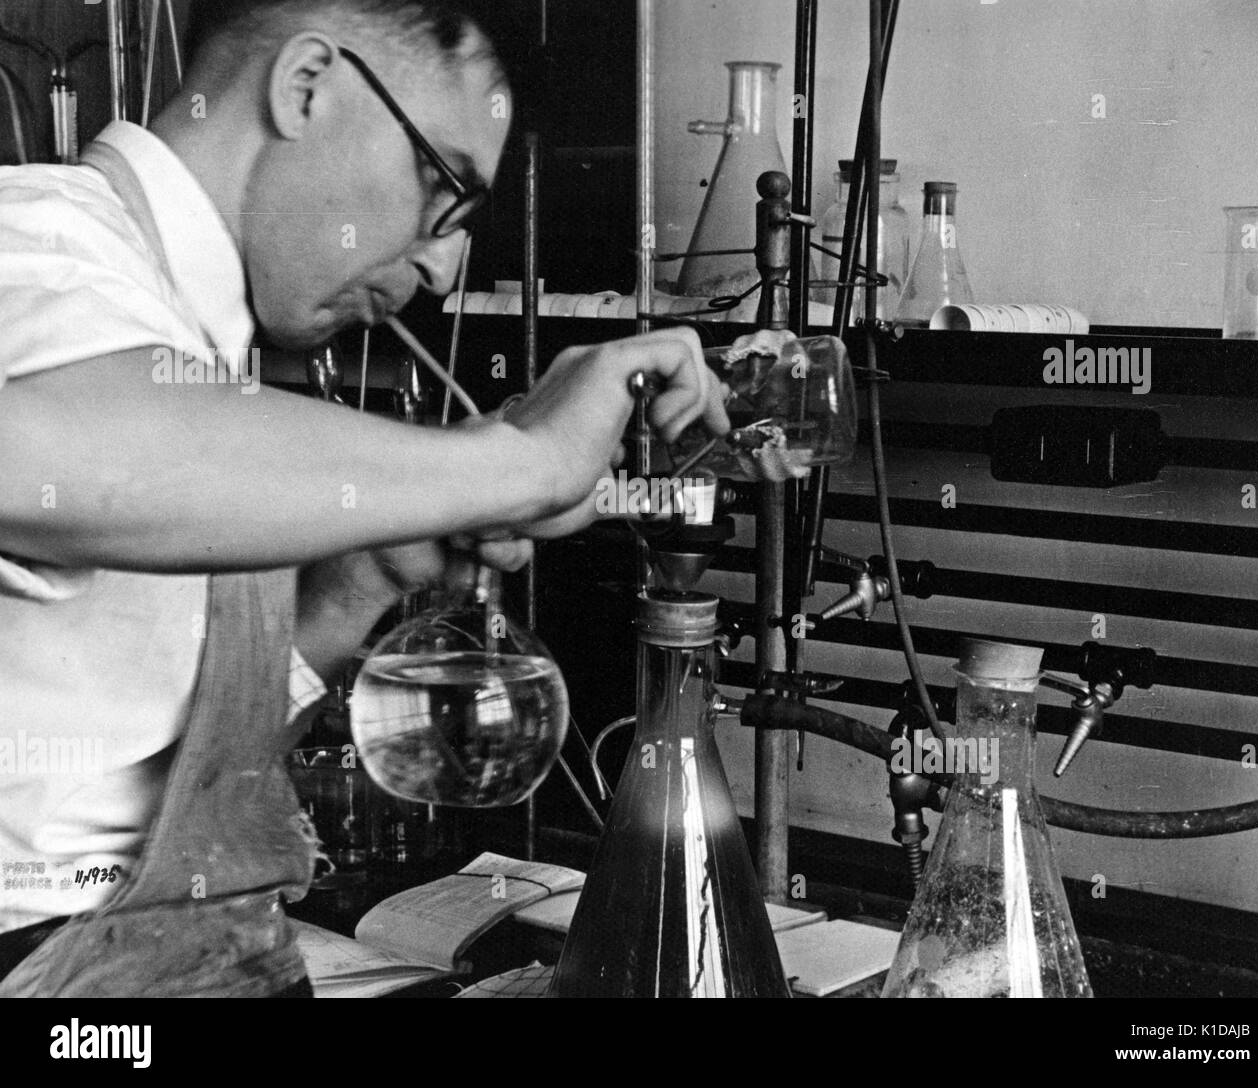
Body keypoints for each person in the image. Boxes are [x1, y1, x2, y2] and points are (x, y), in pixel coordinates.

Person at [0, 0, 727, 997]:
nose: (441, 265)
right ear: (306, 85)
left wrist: (365, 579)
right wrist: (523, 458)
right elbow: (55, 449)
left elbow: (155, 778)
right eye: (442, 187)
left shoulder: (192, 341)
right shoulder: (34, 236)